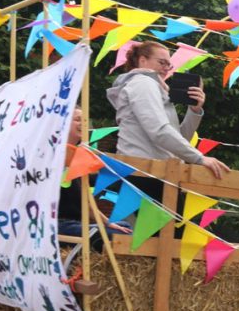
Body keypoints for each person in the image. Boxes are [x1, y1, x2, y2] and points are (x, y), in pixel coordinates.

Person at [106, 41, 229, 180]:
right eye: (162, 62)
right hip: (142, 172)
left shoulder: (157, 89)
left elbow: (179, 138)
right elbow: (159, 131)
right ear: (142, 60)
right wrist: (200, 158)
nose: (166, 68)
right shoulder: (143, 83)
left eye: (168, 64)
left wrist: (194, 110)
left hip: (157, 172)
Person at [58, 107, 131, 239]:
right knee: (115, 234)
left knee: (124, 227)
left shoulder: (79, 158)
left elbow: (87, 206)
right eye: (77, 119)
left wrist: (109, 223)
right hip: (58, 224)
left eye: (85, 120)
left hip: (77, 224)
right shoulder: (54, 155)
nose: (82, 123)